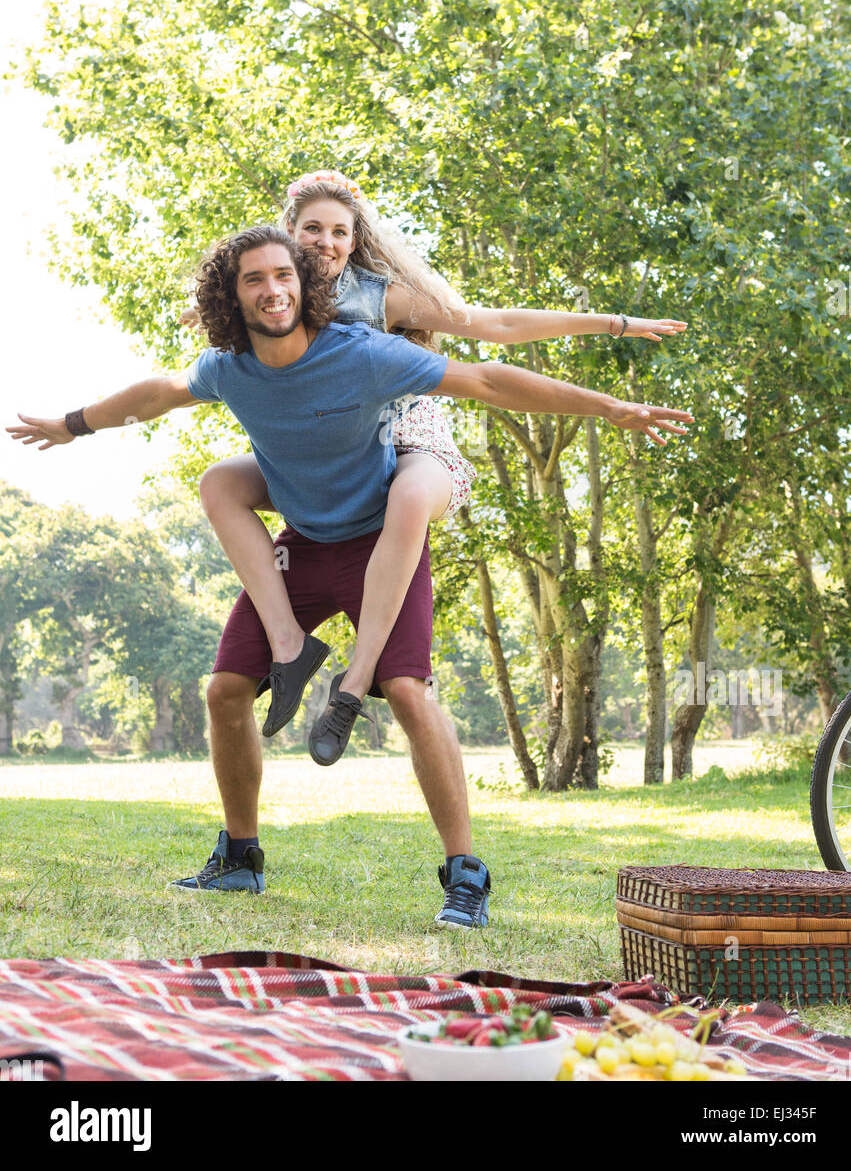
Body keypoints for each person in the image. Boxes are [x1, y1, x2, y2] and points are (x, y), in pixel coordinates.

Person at [8, 223, 692, 926]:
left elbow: (486, 378)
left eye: (284, 275)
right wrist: (73, 423)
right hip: (302, 546)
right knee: (222, 691)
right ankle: (240, 855)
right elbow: (156, 394)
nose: (273, 290)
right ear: (229, 296)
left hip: (378, 545)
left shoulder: (363, 353)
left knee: (406, 691)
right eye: (254, 279)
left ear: (306, 285)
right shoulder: (229, 367)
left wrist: (610, 408)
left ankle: (465, 874)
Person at [181, 168, 688, 757]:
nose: (326, 241)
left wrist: (613, 324)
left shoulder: (378, 296)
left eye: (340, 231)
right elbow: (202, 356)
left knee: (410, 494)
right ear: (288, 233)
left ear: (354, 239)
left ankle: (353, 683)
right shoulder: (270, 295)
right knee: (220, 481)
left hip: (403, 439)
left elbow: (495, 327)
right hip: (325, 458)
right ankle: (289, 649)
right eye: (312, 229)